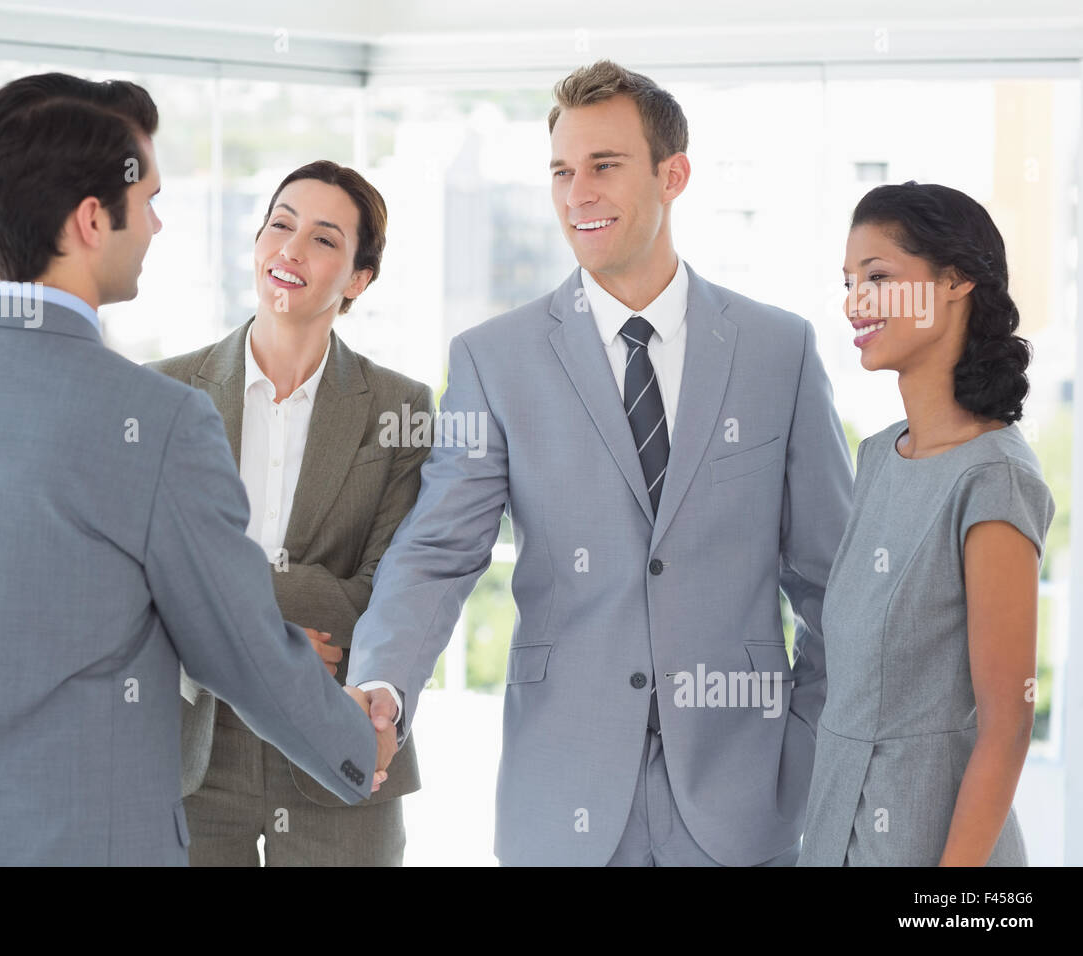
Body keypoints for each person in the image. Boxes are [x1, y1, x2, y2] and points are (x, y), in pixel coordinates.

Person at [0, 72, 393, 867]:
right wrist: (358, 744)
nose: (155, 221)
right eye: (146, 197)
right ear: (90, 221)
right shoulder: (158, 422)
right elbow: (242, 650)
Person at [345, 59, 855, 866]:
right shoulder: (494, 359)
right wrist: (382, 684)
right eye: (561, 172)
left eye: (604, 167)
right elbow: (438, 551)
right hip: (563, 798)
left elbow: (834, 581)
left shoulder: (777, 350)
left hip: (746, 796)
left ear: (673, 174)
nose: (577, 193)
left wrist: (805, 737)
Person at [149, 160, 431, 866]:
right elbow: (142, 579)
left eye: (324, 239)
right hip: (191, 751)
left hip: (340, 738)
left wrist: (219, 596)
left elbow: (386, 589)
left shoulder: (402, 408)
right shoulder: (162, 394)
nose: (290, 250)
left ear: (358, 279)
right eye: (280, 225)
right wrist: (261, 635)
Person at [799, 182, 1053, 866]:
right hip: (832, 836)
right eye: (849, 282)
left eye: (878, 277)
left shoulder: (992, 478)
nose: (855, 302)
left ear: (956, 280)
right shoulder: (879, 456)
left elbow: (1007, 725)